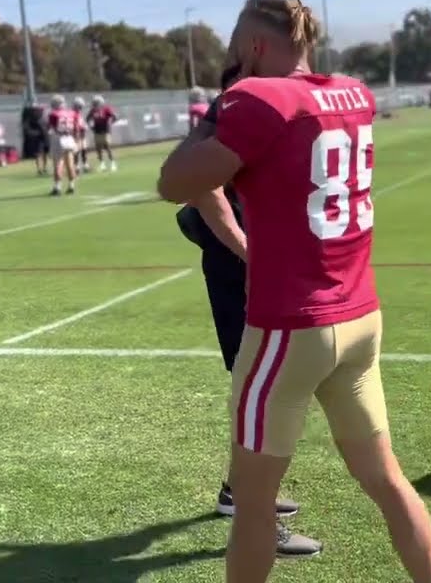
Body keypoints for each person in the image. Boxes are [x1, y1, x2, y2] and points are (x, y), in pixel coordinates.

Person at [157, 0, 431, 583]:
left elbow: (174, 181)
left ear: (256, 46)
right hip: (361, 316)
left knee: (253, 505)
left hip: (290, 328)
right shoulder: (354, 93)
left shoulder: (255, 98)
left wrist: (215, 113)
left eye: (238, 44)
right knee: (388, 482)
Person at [173, 64, 321, 559]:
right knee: (263, 389)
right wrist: (250, 252)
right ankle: (255, 518)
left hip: (255, 264)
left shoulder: (253, 114)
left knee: (263, 386)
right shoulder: (230, 115)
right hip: (240, 269)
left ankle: (238, 493)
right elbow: (202, 188)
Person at [46, 94, 80, 196]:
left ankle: (57, 187)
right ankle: (71, 186)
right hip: (69, 138)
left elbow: (51, 128)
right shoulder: (72, 113)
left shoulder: (53, 114)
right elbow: (76, 128)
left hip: (59, 138)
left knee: (58, 163)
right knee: (70, 163)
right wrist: (76, 140)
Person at [86, 95, 118, 171]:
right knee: (98, 148)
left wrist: (111, 123)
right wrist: (91, 126)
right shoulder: (92, 110)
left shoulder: (106, 109)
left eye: (96, 103)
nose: (94, 105)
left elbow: (114, 116)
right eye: (94, 103)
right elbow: (87, 119)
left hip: (105, 131)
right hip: (97, 131)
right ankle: (102, 163)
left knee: (107, 147)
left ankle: (112, 163)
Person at [21, 101, 49, 176]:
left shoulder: (45, 116)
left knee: (45, 153)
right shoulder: (31, 118)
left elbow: (48, 125)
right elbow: (27, 128)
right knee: (38, 154)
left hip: (45, 137)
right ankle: (39, 169)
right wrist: (35, 134)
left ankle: (45, 168)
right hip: (38, 138)